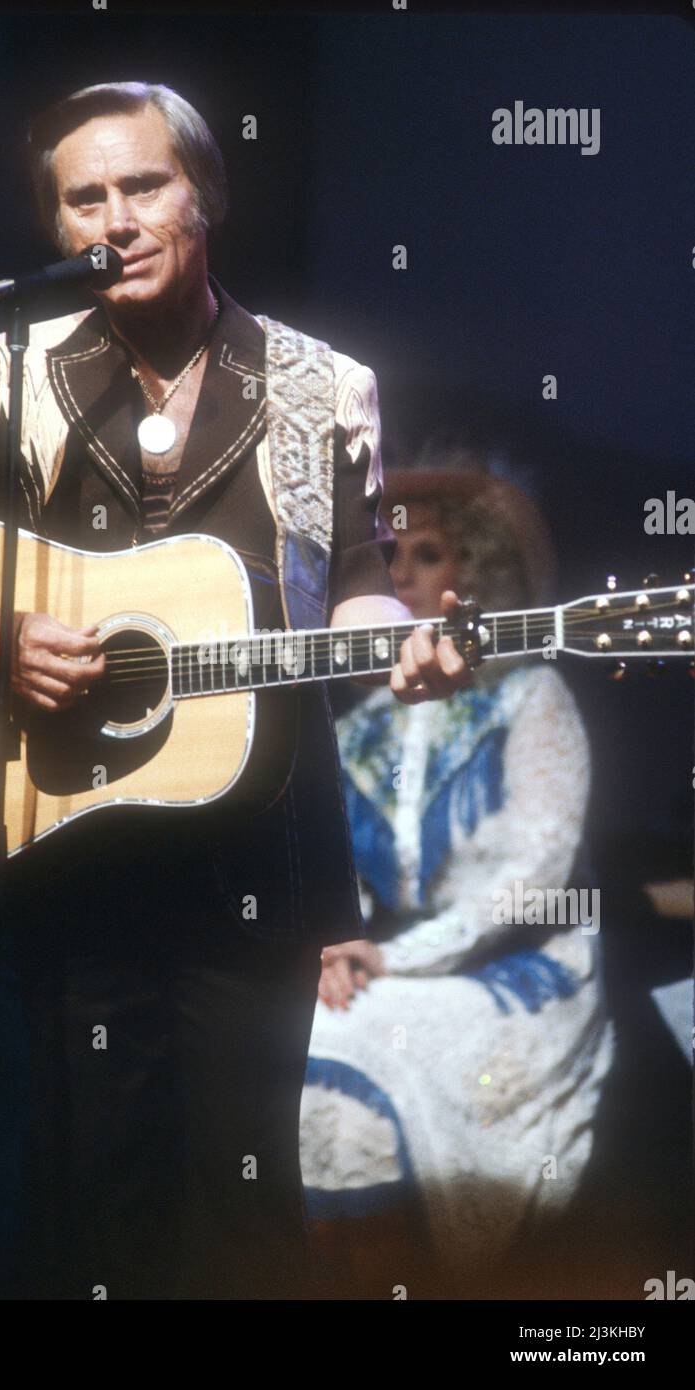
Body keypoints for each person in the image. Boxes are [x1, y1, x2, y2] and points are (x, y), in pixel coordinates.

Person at [0, 82, 472, 1300]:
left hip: (258, 860)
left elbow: (357, 594)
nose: (113, 220)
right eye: (84, 198)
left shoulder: (322, 385)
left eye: (143, 185)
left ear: (203, 195)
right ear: (57, 226)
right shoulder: (21, 378)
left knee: (242, 1211)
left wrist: (404, 644)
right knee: (88, 1203)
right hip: (75, 845)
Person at [299, 459, 616, 1299]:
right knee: (305, 1033)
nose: (400, 576)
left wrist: (389, 959)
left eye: (427, 554)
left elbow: (531, 880)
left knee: (348, 1042)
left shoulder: (530, 696)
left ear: (472, 574)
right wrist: (333, 948)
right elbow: (340, 871)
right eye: (387, 556)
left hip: (523, 975)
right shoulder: (365, 725)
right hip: (396, 972)